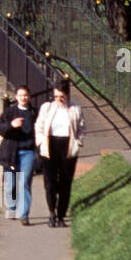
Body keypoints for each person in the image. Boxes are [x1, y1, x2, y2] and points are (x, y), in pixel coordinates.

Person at [35, 79, 85, 227]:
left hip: (67, 146)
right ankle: (52, 213)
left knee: (65, 183)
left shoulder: (75, 109)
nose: (58, 99)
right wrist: (40, 142)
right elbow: (39, 126)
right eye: (56, 96)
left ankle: (61, 215)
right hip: (50, 146)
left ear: (67, 95)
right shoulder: (47, 108)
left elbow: (82, 127)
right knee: (50, 183)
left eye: (61, 96)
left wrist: (79, 141)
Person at [0, 86, 38, 224]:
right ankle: (12, 208)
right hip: (11, 152)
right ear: (16, 97)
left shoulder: (33, 113)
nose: (23, 98)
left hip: (28, 152)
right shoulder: (10, 111)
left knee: (24, 182)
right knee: (11, 184)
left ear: (29, 96)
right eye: (20, 95)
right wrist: (11, 125)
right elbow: (0, 127)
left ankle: (24, 214)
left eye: (25, 95)